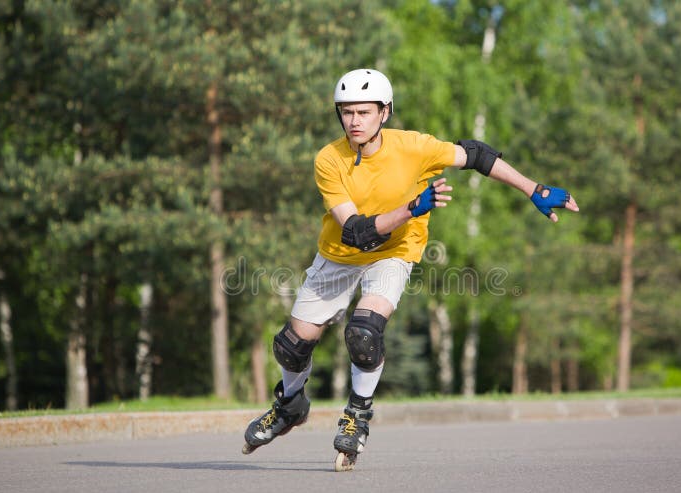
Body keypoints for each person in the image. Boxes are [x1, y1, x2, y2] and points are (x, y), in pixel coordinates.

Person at [242, 68, 579, 470]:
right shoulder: (328, 159)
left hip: (396, 251)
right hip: (340, 252)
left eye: (364, 112)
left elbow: (477, 155)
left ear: (385, 112)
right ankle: (290, 405)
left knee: (364, 333)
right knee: (292, 345)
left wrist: (533, 188)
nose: (354, 121)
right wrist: (412, 208)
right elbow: (356, 233)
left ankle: (357, 415)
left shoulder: (415, 147)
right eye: (347, 112)